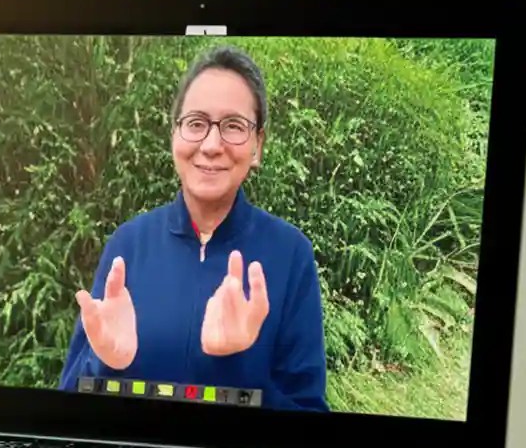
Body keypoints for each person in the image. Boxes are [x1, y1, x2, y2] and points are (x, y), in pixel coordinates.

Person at [57, 45, 328, 411]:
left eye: (233, 126)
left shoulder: (290, 254)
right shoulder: (129, 245)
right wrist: (105, 362)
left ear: (258, 145)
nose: (211, 145)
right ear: (175, 136)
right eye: (196, 123)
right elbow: (66, 412)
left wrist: (238, 368)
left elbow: (310, 422)